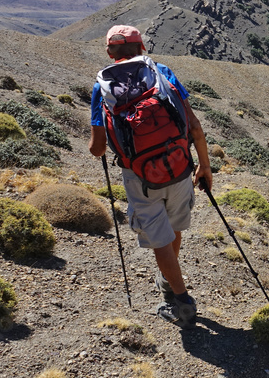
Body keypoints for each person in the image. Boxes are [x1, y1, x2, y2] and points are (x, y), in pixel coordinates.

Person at [88, 25, 213, 328]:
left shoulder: (102, 87)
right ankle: (170, 281)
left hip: (140, 177)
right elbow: (194, 126)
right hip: (180, 166)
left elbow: (97, 148)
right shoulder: (163, 72)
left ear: (109, 52)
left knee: (159, 240)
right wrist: (204, 166)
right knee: (174, 229)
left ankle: (182, 303)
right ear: (142, 47)